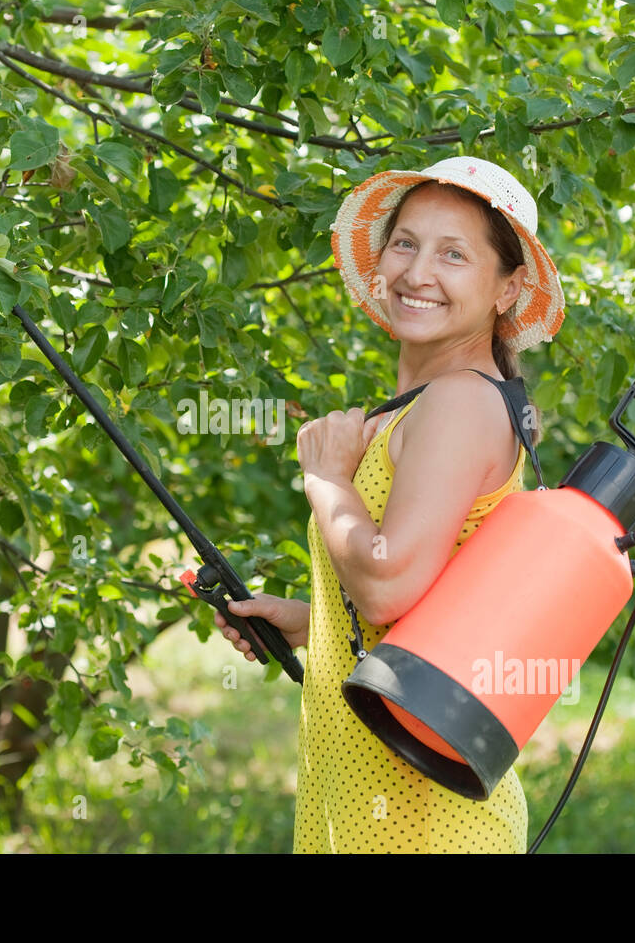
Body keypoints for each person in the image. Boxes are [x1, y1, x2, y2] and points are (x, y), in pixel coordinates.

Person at [215, 155, 566, 853]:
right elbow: (423, 604)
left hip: (420, 824)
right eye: (405, 242)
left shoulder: (462, 402)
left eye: (454, 254)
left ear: (506, 290)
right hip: (361, 803)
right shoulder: (423, 407)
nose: (416, 272)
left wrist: (326, 478)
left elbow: (387, 584)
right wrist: (310, 623)